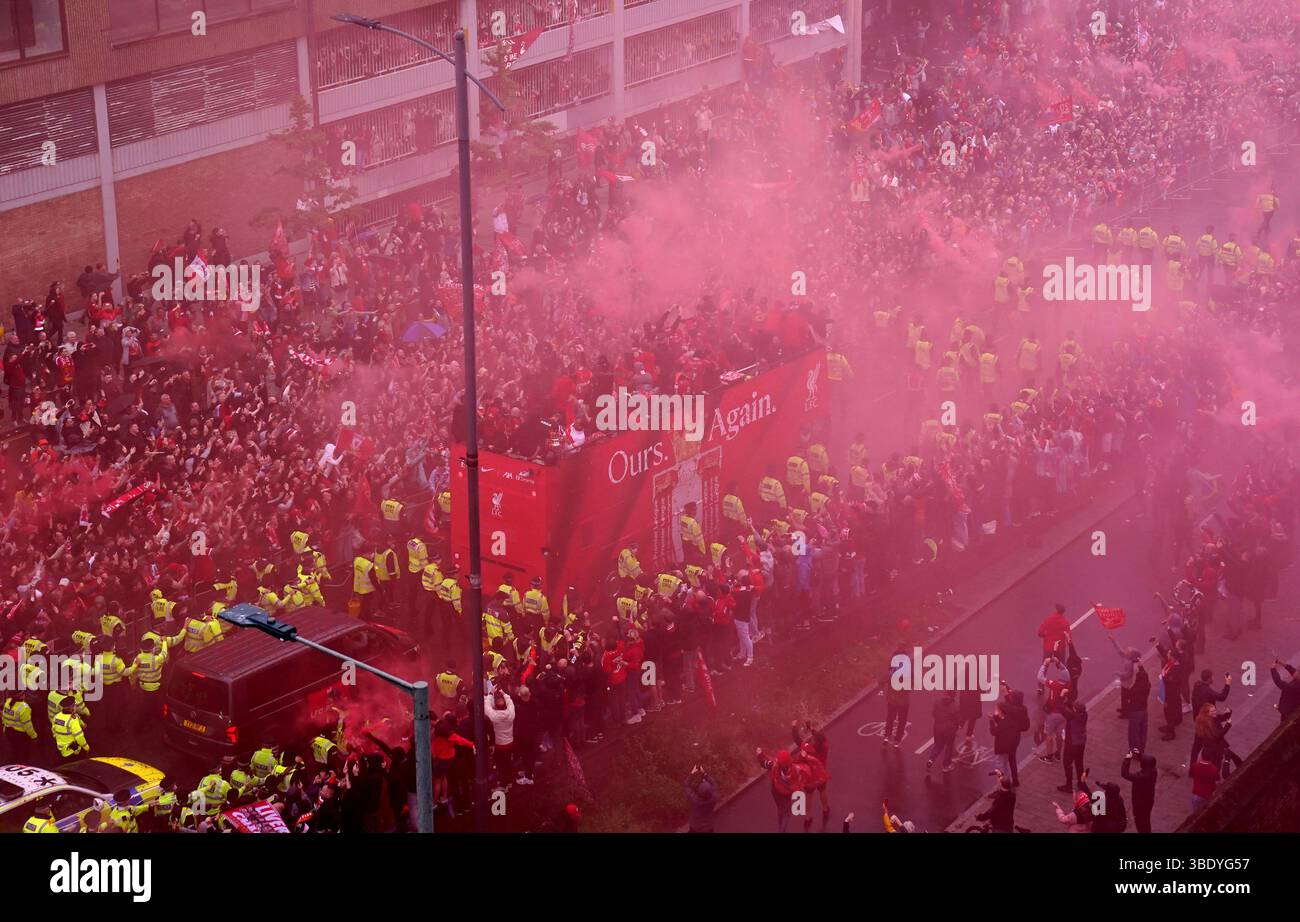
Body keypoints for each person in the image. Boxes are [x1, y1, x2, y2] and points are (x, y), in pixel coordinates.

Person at [1121, 750, 1158, 833]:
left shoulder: (1142, 777)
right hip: (1148, 800)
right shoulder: (1153, 771)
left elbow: (1125, 774)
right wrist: (1139, 754)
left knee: (1140, 821)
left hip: (1140, 802)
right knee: (1146, 819)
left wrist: (1127, 759)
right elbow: (1147, 761)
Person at [927, 690, 959, 773]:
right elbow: (957, 720)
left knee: (938, 745)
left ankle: (931, 760)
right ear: (954, 695)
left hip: (937, 727)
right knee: (949, 747)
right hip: (949, 730)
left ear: (946, 693)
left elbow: (934, 714)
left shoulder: (937, 702)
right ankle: (946, 766)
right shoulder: (955, 706)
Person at [684, 765, 717, 833]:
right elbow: (714, 784)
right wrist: (705, 774)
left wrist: (692, 773)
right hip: (709, 827)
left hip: (696, 828)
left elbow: (686, 786)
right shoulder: (714, 798)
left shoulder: (695, 800)